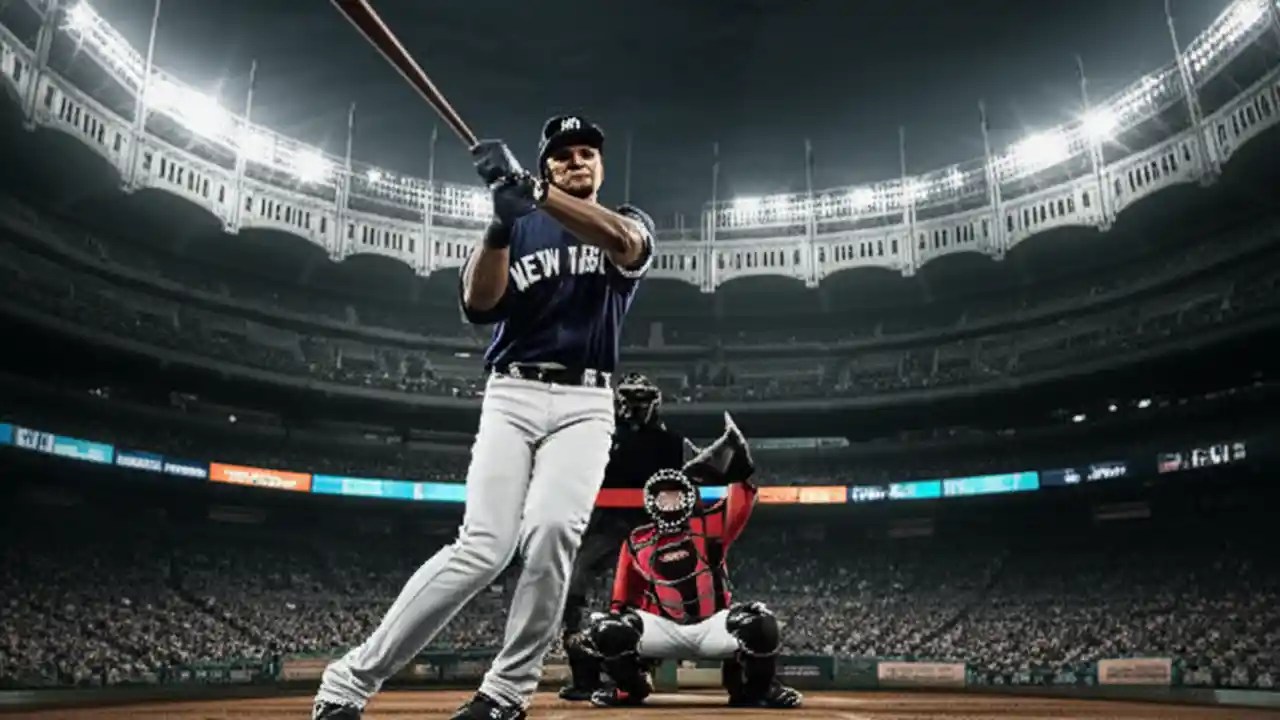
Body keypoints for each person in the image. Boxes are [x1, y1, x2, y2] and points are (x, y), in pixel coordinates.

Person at [312, 115, 656, 720]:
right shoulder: (518, 223)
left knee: (552, 533)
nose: (579, 161)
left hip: (586, 402)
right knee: (484, 547)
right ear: (546, 164)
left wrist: (537, 192)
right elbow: (479, 303)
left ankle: (506, 692)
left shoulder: (625, 220)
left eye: (587, 153)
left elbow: (627, 245)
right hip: (512, 393)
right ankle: (347, 683)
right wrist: (501, 224)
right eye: (564, 155)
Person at [582, 413, 804, 709]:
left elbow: (741, 502)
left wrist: (734, 466)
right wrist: (617, 625)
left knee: (760, 622)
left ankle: (756, 690)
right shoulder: (636, 539)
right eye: (664, 498)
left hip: (712, 624)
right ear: (652, 503)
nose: (670, 503)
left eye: (676, 497)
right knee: (606, 628)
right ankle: (630, 688)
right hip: (661, 626)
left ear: (688, 499)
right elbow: (621, 598)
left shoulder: (709, 525)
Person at [557, 373, 687, 701]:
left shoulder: (670, 441)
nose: (636, 405)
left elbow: (674, 485)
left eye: (642, 398)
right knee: (574, 582)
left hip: (649, 527)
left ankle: (637, 667)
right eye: (631, 398)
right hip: (608, 522)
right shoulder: (603, 434)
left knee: (659, 593)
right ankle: (583, 674)